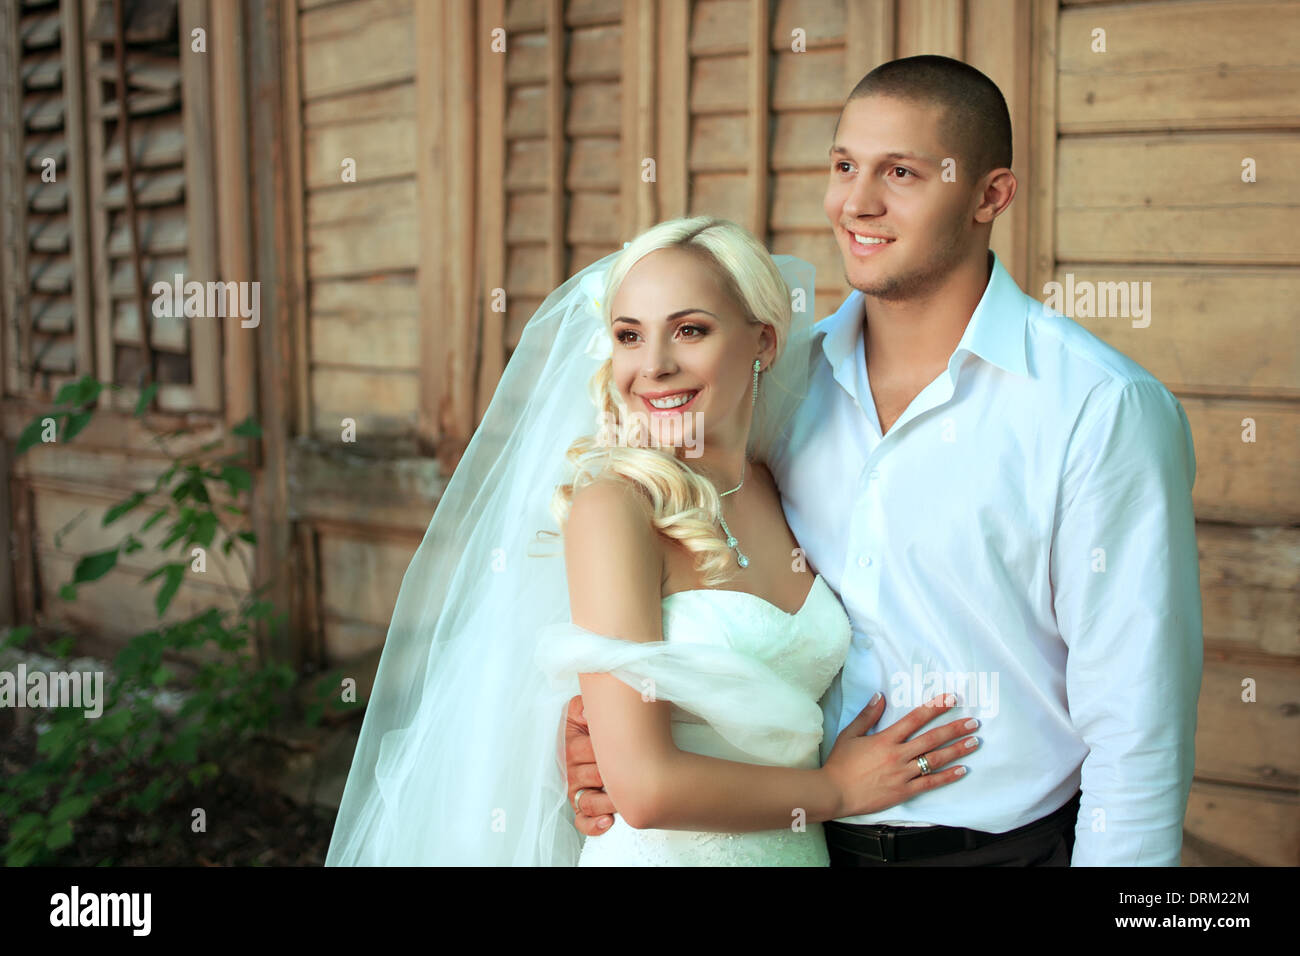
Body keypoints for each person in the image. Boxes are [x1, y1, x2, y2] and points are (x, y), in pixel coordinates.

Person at [565, 55, 1203, 867]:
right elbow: (684, 594)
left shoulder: (1097, 408)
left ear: (990, 195)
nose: (856, 204)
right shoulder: (776, 386)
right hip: (801, 841)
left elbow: (1140, 722)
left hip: (1002, 852)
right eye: (843, 167)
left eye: (900, 172)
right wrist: (604, 731)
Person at [325, 214, 979, 867]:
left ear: (765, 342)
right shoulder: (616, 509)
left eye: (690, 330)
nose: (655, 366)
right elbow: (642, 789)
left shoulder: (779, 483)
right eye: (629, 336)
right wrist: (835, 789)